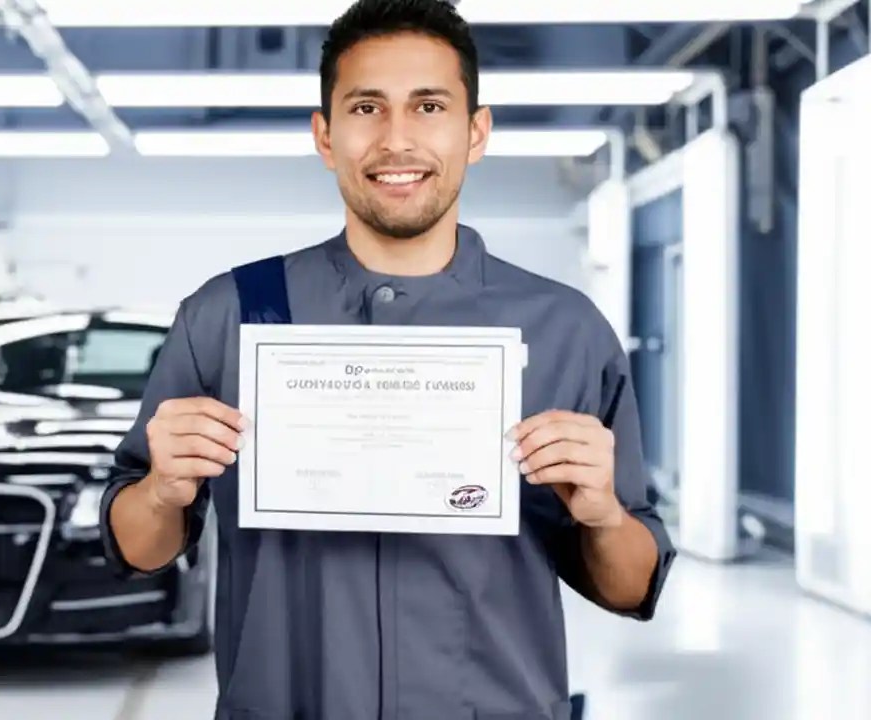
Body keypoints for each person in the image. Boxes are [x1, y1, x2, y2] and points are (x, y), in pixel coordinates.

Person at [99, 0, 677, 717]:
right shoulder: (231, 314)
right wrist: (161, 490)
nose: (396, 139)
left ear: (476, 132)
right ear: (324, 134)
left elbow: (630, 584)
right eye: (366, 107)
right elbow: (139, 549)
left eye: (428, 105)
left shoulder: (565, 329)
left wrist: (601, 515)